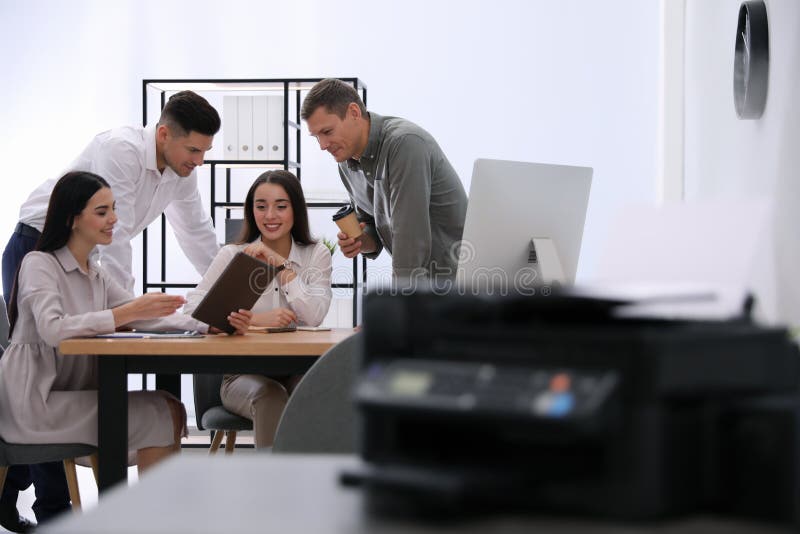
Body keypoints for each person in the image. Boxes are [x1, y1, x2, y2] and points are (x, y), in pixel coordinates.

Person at [0, 90, 222, 531]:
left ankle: (24, 494)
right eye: (193, 149)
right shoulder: (120, 150)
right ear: (163, 134)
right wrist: (126, 311)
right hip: (39, 241)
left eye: (205, 152)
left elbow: (197, 233)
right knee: (53, 366)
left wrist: (214, 309)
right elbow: (112, 242)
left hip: (89, 262)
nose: (198, 160)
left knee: (158, 406)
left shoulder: (182, 171)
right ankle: (54, 515)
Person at [184, 170, 332, 449]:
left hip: (298, 370)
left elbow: (314, 316)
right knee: (270, 395)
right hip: (241, 377)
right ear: (251, 212)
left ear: (296, 210)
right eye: (261, 207)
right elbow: (193, 310)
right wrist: (255, 321)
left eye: (281, 206)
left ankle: (311, 484)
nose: (270, 215)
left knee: (315, 393)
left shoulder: (316, 254)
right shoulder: (233, 254)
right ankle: (271, 488)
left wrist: (280, 265)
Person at [301, 78, 468, 280]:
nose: (322, 145)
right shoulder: (346, 163)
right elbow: (370, 223)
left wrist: (399, 306)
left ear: (354, 112)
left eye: (327, 132)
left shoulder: (405, 144)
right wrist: (361, 240)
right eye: (316, 136)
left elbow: (410, 243)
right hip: (427, 287)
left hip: (461, 283)